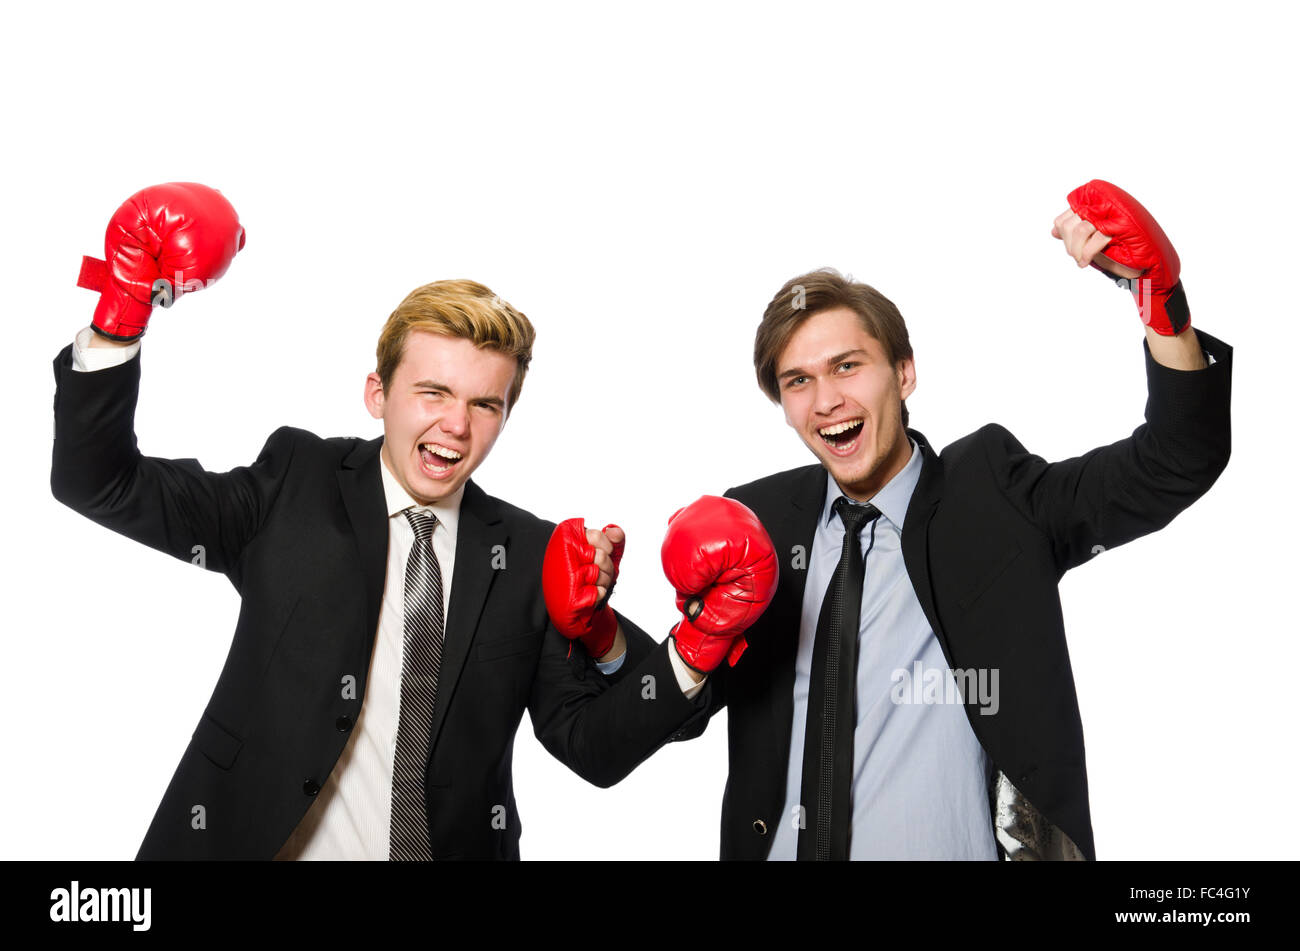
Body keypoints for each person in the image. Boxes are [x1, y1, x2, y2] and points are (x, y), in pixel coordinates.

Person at [50, 181, 740, 860]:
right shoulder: (294, 481)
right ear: (378, 393)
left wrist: (610, 631)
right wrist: (122, 308)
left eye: (484, 404)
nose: (456, 426)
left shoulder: (531, 554)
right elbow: (100, 483)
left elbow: (598, 748)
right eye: (433, 392)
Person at [663, 180, 1233, 860]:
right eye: (798, 381)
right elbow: (673, 715)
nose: (826, 400)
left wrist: (1158, 303)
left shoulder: (992, 494)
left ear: (903, 373)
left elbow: (1175, 460)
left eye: (848, 366)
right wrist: (617, 634)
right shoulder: (759, 518)